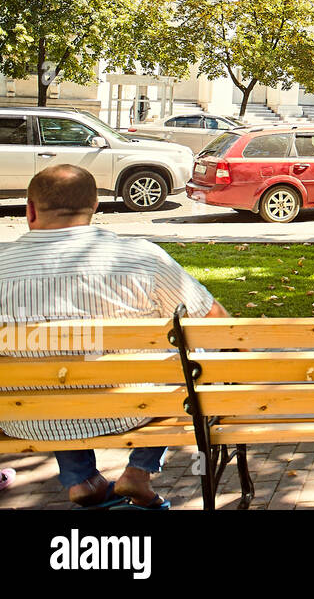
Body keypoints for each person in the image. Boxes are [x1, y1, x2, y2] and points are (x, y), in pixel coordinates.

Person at [0, 164, 228, 510]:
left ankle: (80, 480)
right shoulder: (141, 258)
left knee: (56, 374)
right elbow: (217, 325)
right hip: (131, 408)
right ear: (95, 209)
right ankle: (138, 471)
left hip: (22, 416)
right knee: (186, 379)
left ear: (30, 210)